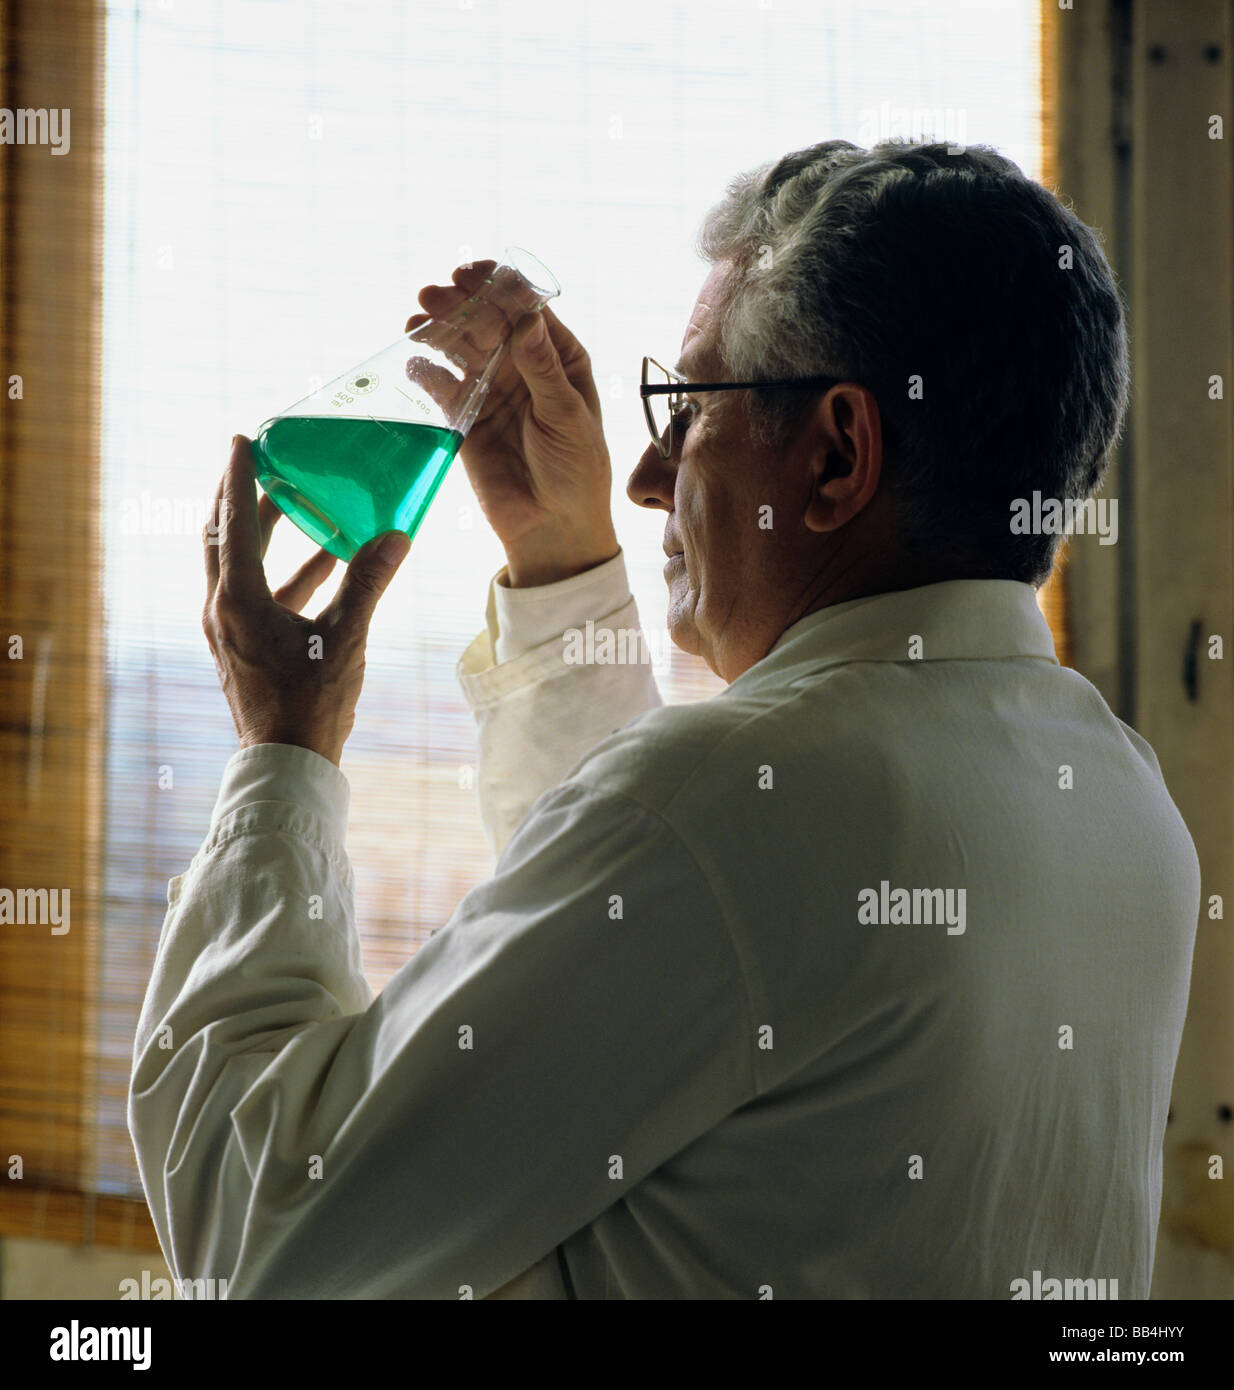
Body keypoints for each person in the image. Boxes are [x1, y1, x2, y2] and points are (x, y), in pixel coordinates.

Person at [129, 139, 1199, 1300]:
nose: (643, 476)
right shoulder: (1123, 801)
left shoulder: (744, 805)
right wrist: (557, 563)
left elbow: (258, 1240)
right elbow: (669, 985)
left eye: (687, 408)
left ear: (837, 456)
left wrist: (281, 754)